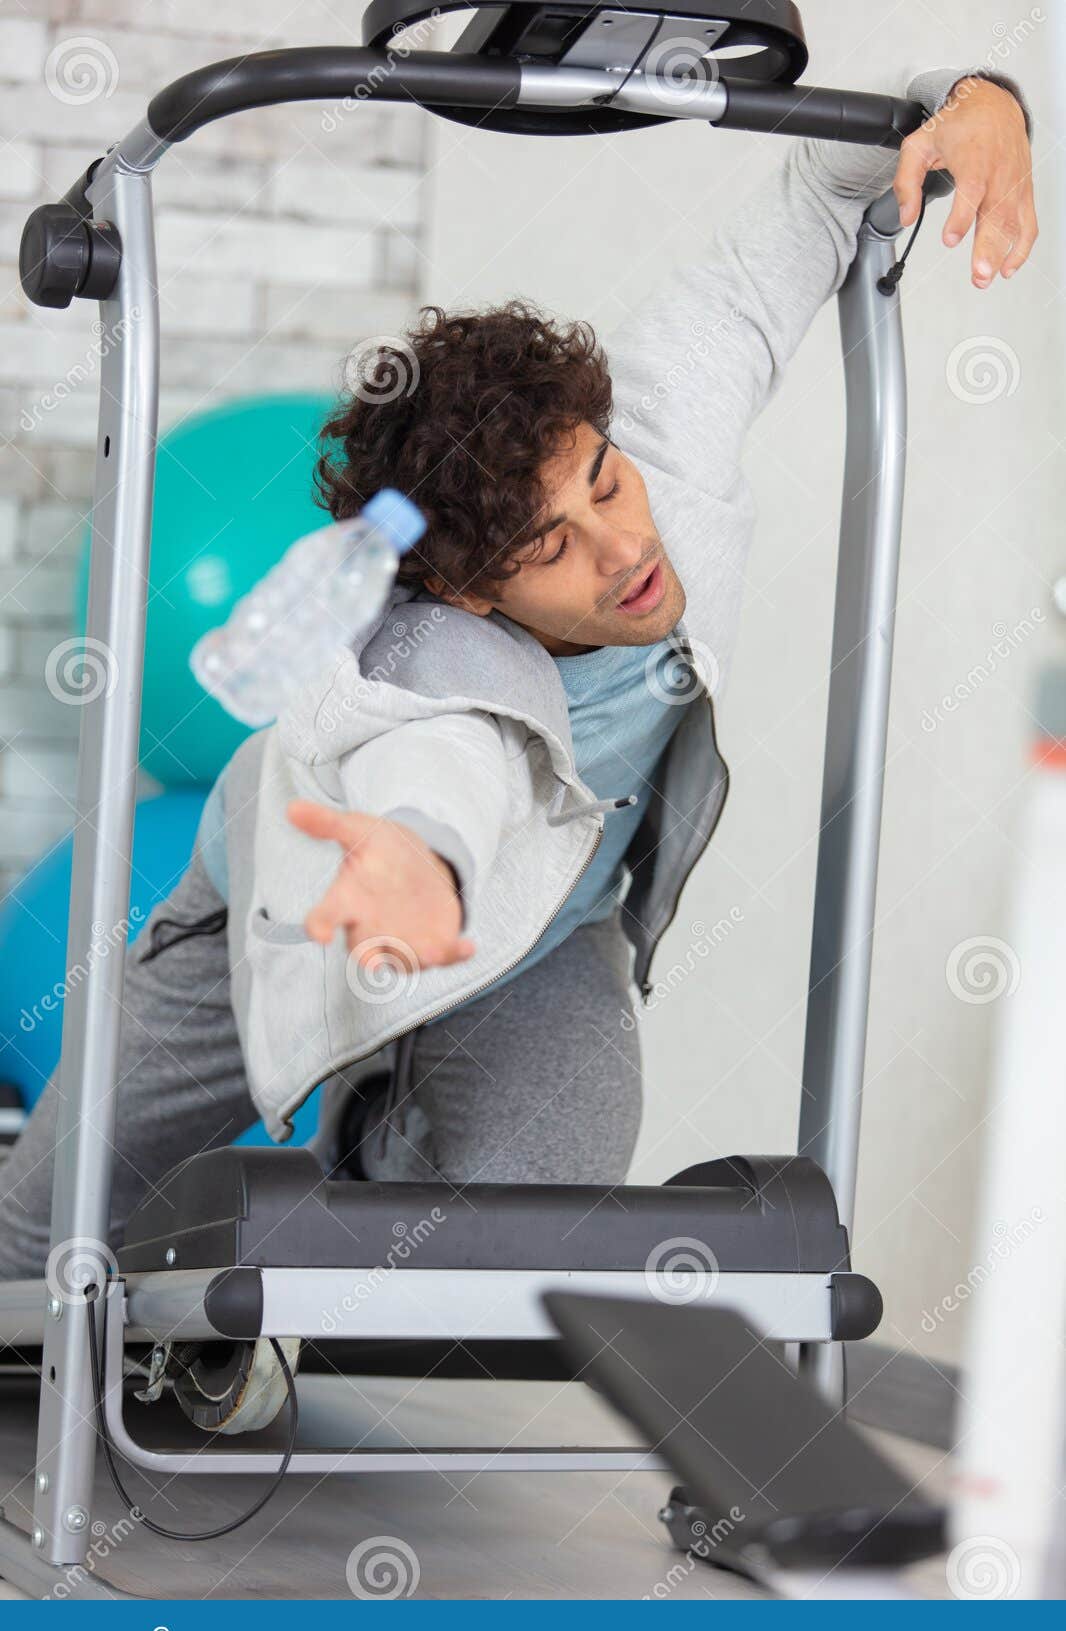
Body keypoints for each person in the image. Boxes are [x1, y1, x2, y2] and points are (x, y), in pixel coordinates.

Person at [0, 66, 1036, 1279]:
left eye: (603, 482)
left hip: (542, 930)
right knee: (38, 1235)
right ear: (469, 588)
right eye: (551, 549)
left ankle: (368, 1141)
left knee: (527, 1210)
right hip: (294, 917)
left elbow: (815, 192)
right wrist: (419, 862)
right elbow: (442, 772)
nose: (626, 550)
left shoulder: (658, 435)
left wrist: (973, 100)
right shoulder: (419, 664)